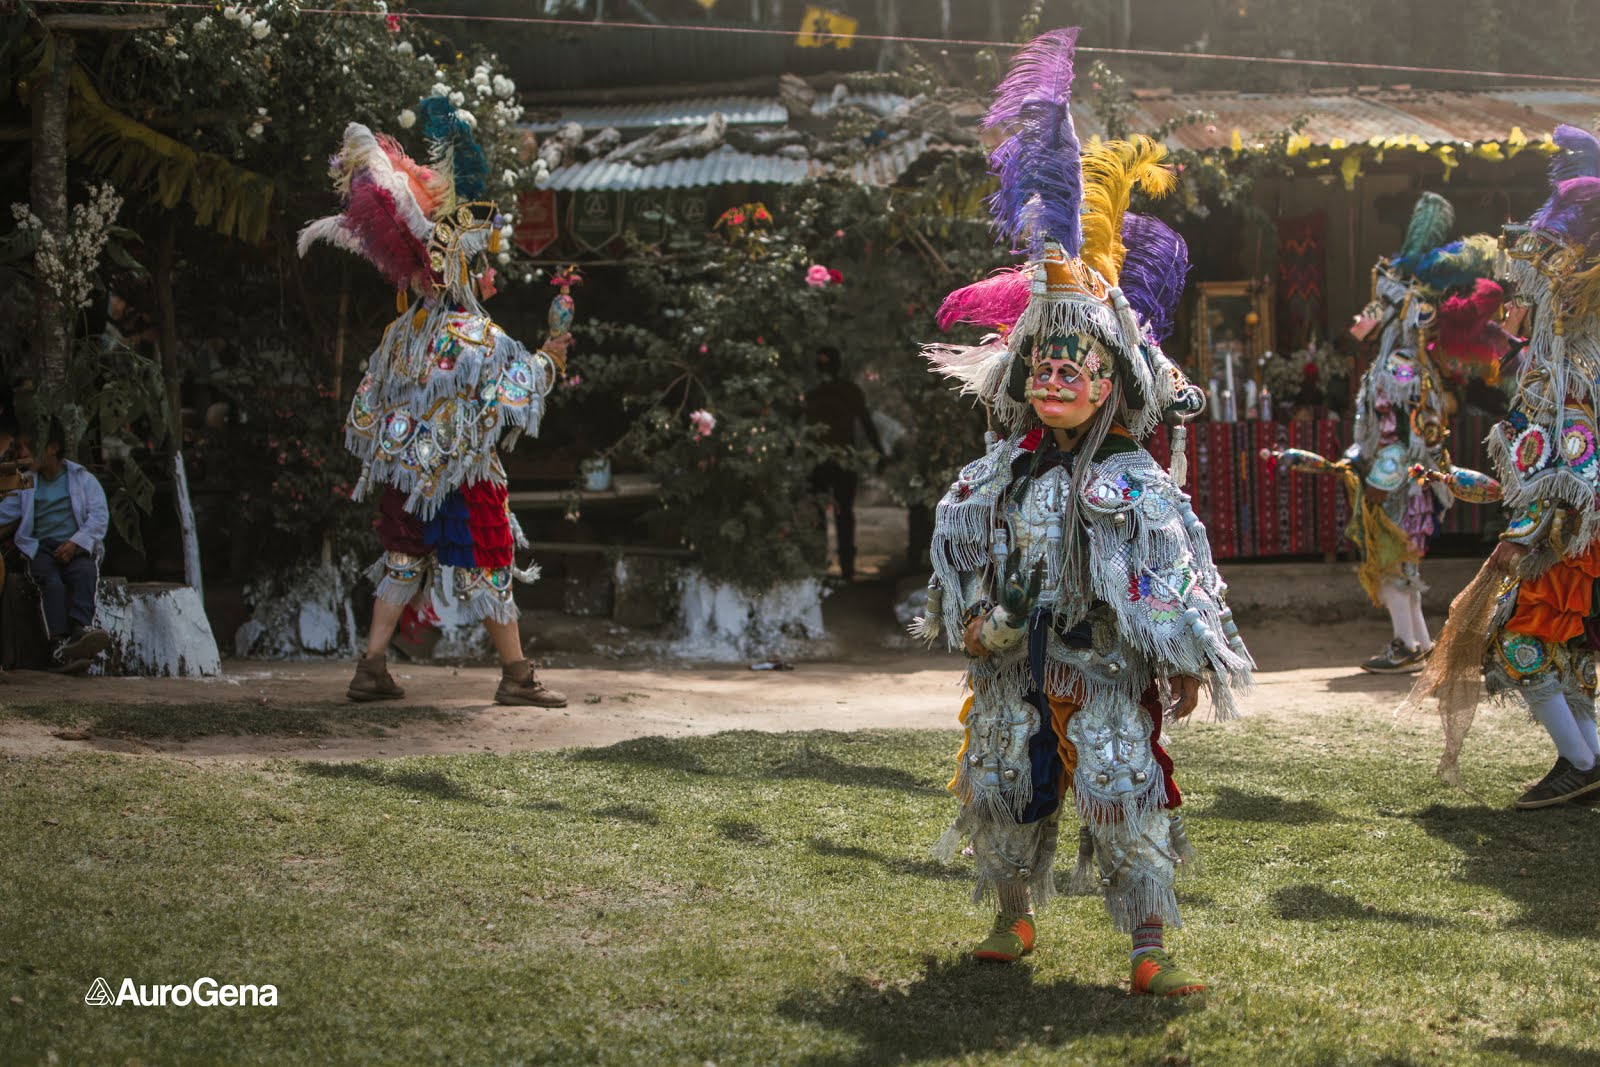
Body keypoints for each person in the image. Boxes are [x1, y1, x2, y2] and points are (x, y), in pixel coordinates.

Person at [910, 29, 1251, 996]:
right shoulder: (993, 478)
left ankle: (1148, 945)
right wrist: (988, 623)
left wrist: (1181, 658)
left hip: (1102, 668)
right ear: (1020, 376)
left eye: (1078, 367)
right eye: (1044, 366)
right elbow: (959, 590)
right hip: (1015, 667)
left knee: (1124, 788)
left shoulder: (1138, 483)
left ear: (1111, 383)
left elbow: (1176, 575)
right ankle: (1011, 916)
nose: (1057, 378)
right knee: (1005, 786)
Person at [299, 97, 570, 708]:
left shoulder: (400, 334)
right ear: (461, 270)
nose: (487, 275)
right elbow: (519, 389)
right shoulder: (477, 334)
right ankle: (516, 676)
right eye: (481, 264)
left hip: (408, 471)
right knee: (490, 559)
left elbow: (366, 408)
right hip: (464, 474)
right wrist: (552, 357)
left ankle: (372, 667)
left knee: (402, 559)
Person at [1412, 124, 1600, 807]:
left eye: (1527, 295)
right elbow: (1529, 473)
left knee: (1517, 643)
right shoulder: (1554, 370)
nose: (1515, 303)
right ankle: (1587, 760)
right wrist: (1461, 483)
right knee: (1558, 654)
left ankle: (1580, 762)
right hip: (1558, 540)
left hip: (1564, 544)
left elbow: (1576, 472)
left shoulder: (1571, 375)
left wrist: (1527, 540)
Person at [1337, 193, 1509, 673]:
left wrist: (1380, 477)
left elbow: (1397, 432)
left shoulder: (1401, 366)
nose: (1365, 318)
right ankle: (1418, 641)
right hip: (1418, 477)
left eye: (1377, 306)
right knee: (1405, 560)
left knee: (1392, 559)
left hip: (1400, 477)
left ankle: (1406, 643)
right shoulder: (1413, 365)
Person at [0, 422, 113, 672]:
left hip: (76, 546)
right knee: (51, 583)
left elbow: (98, 518)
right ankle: (58, 644)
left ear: (52, 448)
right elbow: (4, 514)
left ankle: (80, 630)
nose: (22, 454)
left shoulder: (84, 479)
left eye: (28, 448)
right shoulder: (26, 483)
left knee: (85, 573)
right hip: (40, 549)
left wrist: (75, 543)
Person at [805, 345, 884, 581]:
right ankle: (840, 568)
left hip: (827, 462)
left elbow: (866, 424)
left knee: (829, 513)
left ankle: (827, 567)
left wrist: (879, 452)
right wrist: (879, 452)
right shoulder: (841, 391)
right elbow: (867, 424)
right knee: (840, 514)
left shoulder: (815, 392)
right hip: (833, 462)